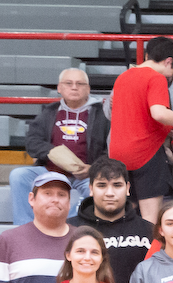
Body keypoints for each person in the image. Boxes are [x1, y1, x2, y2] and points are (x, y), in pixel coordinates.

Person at [108, 36, 173, 223]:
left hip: (118, 154)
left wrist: (169, 127)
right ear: (168, 62)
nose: (170, 77)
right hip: (146, 154)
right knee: (149, 222)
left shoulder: (123, 77)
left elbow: (136, 116)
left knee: (124, 218)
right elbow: (158, 113)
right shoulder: (156, 78)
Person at [12, 68, 106, 225]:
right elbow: (32, 141)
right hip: (50, 171)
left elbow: (110, 148)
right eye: (68, 83)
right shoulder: (49, 112)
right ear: (59, 88)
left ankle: (71, 228)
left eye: (80, 84)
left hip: (87, 174)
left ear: (88, 89)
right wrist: (53, 153)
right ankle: (24, 226)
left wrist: (93, 168)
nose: (74, 87)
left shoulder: (102, 114)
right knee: (18, 175)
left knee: (99, 189)